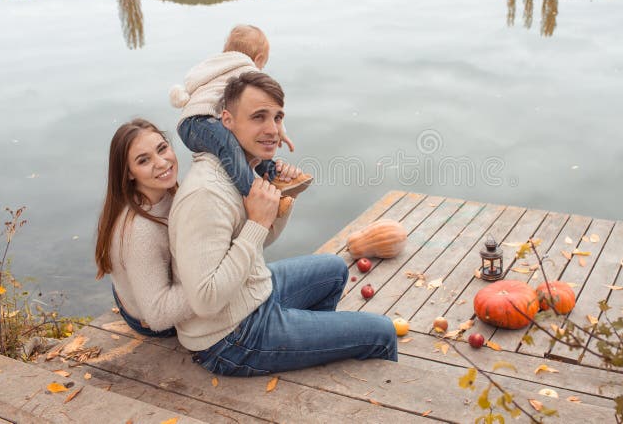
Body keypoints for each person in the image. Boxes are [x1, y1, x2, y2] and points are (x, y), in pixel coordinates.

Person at [169, 72, 398, 376]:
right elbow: (205, 299)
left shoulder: (242, 170)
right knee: (382, 332)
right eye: (258, 117)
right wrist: (257, 222)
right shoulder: (205, 195)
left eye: (277, 118)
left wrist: (282, 198)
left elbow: (259, 240)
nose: (272, 130)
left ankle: (305, 354)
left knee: (334, 269)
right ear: (227, 120)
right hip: (229, 337)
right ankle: (291, 348)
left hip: (249, 296)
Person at [169, 24, 310, 216]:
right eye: (263, 64)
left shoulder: (216, 64)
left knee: (243, 144)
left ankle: (275, 176)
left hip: (189, 125)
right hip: (201, 122)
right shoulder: (247, 68)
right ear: (258, 59)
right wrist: (281, 130)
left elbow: (190, 81)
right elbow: (268, 101)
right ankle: (254, 194)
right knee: (229, 144)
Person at [95, 119, 193, 337]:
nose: (161, 162)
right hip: (149, 319)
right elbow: (157, 315)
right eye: (143, 160)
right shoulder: (140, 231)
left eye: (162, 148)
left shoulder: (163, 191)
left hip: (145, 287)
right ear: (129, 173)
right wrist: (213, 285)